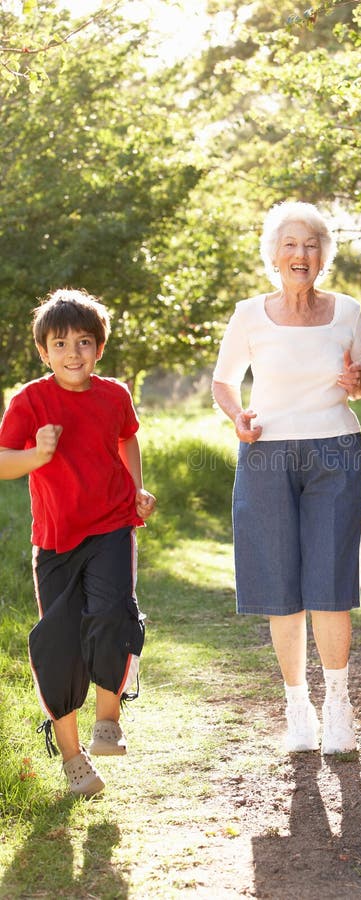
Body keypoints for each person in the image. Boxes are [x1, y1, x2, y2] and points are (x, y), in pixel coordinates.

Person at [212, 200, 361, 754]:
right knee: (280, 587)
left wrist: (356, 381)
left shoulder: (347, 311)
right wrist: (238, 418)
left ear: (323, 256)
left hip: (336, 451)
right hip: (265, 454)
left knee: (329, 582)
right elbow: (224, 383)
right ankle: (297, 708)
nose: (300, 253)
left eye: (310, 245)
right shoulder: (249, 314)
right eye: (290, 244)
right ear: (274, 255)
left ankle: (339, 707)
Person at [0, 288, 156, 797]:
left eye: (84, 342)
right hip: (55, 540)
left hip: (112, 525)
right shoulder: (29, 400)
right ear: (44, 352)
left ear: (99, 348)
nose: (73, 353)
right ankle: (73, 760)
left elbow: (126, 438)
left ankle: (108, 718)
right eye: (60, 343)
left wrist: (134, 490)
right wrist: (36, 456)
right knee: (60, 642)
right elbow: (4, 462)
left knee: (112, 611)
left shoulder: (115, 395)